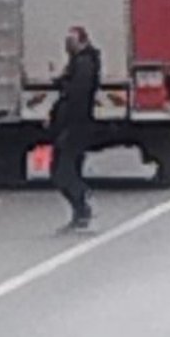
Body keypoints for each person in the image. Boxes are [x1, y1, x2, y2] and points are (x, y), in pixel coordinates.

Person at [50, 25, 100, 230]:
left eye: (71, 41)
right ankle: (80, 212)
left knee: (63, 171)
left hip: (76, 126)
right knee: (64, 169)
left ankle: (83, 196)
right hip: (72, 125)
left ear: (82, 42)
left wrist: (64, 84)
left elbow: (78, 95)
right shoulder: (78, 63)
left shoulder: (84, 64)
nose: (67, 46)